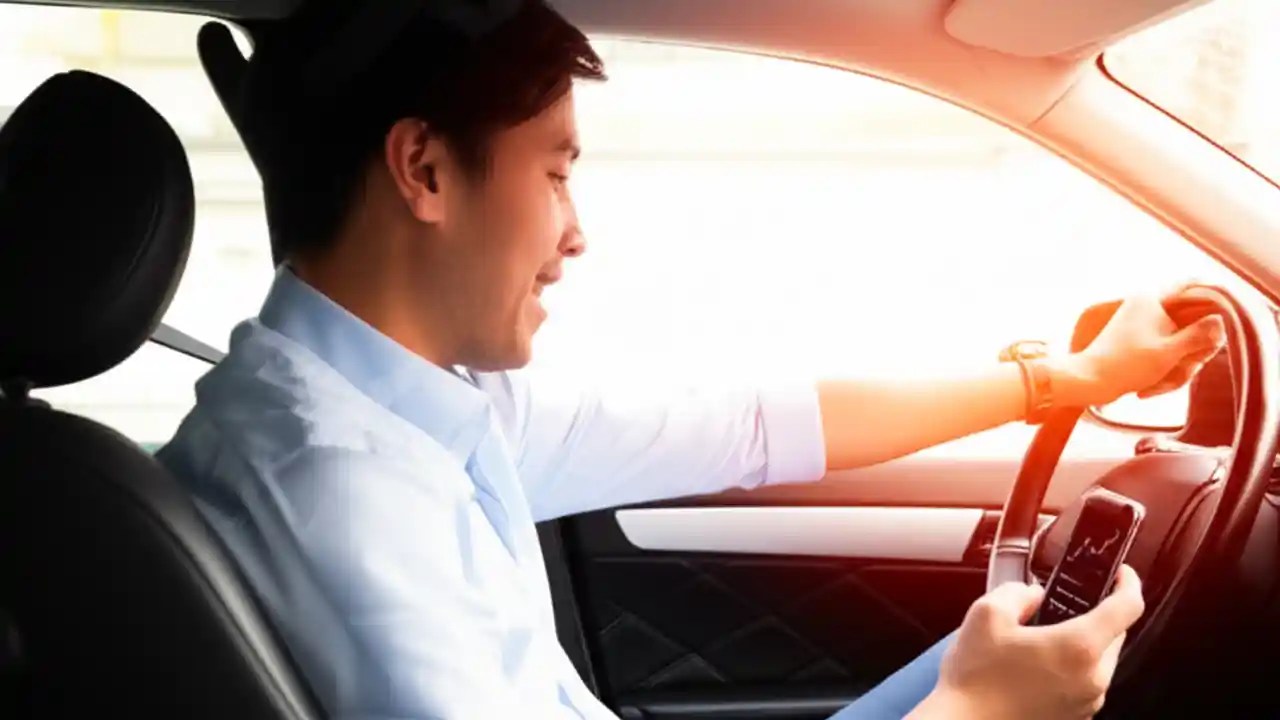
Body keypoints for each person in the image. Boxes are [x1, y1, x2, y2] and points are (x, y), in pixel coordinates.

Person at [157, 1, 1226, 718]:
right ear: (424, 169)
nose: (575, 233)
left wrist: (1067, 381)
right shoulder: (341, 510)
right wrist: (972, 712)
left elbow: (748, 424)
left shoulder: (400, 404)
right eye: (557, 174)